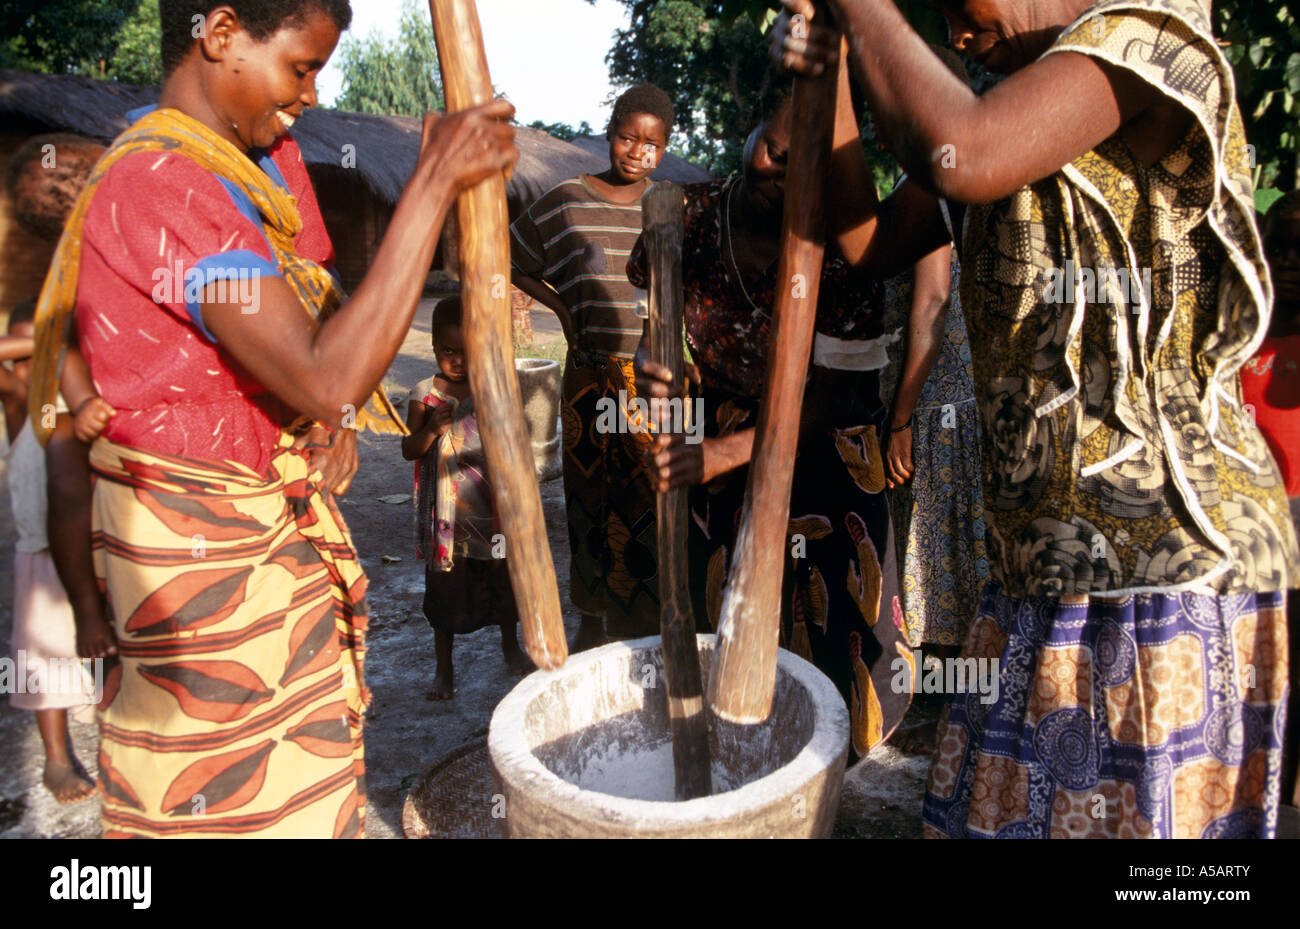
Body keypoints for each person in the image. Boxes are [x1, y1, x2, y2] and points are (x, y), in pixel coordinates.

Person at [775, 0, 1296, 837]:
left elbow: (965, 152)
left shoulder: (1152, 38)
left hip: (1159, 570)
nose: (953, 34)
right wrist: (834, 63)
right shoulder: (1011, 109)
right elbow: (868, 242)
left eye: (957, 5)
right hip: (1036, 567)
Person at [31, 0, 517, 838]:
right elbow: (328, 372)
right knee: (219, 800)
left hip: (268, 534)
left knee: (297, 794)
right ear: (220, 35)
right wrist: (432, 181)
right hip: (194, 569)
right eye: (300, 67)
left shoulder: (262, 161)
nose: (311, 96)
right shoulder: (158, 187)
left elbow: (307, 334)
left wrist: (320, 427)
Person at [633, 68, 913, 763]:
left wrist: (727, 453)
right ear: (752, 124)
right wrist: (652, 360)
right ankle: (732, 763)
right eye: (776, 150)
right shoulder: (689, 216)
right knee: (725, 619)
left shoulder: (847, 252)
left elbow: (845, 394)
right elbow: (653, 325)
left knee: (828, 629)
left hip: (825, 447)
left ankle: (817, 782)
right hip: (723, 434)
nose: (783, 174)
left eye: (809, 168)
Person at [510, 84, 673, 650]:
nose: (636, 152)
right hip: (587, 374)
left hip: (650, 382)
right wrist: (562, 308)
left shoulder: (669, 209)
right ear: (610, 134)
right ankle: (589, 610)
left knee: (649, 493)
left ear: (665, 147)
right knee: (587, 498)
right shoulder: (564, 201)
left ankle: (645, 611)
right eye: (628, 137)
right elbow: (514, 260)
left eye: (651, 144)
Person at [402, 297, 530, 700]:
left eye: (467, 351)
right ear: (434, 346)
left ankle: (512, 648)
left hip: (491, 514)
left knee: (501, 582)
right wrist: (432, 432)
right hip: (446, 519)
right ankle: (444, 669)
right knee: (446, 591)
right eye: (448, 352)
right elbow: (409, 449)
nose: (457, 361)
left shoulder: (490, 389)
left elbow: (514, 439)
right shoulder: (425, 394)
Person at [0, 299, 97, 803]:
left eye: (48, 355)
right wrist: (45, 347)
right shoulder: (23, 405)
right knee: (44, 655)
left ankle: (100, 704)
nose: (30, 368)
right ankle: (56, 759)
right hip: (42, 556)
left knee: (102, 639)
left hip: (95, 547)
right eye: (22, 353)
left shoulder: (86, 404)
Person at [1239, 189, 1300, 825]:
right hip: (1253, 526)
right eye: (1277, 246)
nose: (1288, 262)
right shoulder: (1239, 333)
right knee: (1261, 669)